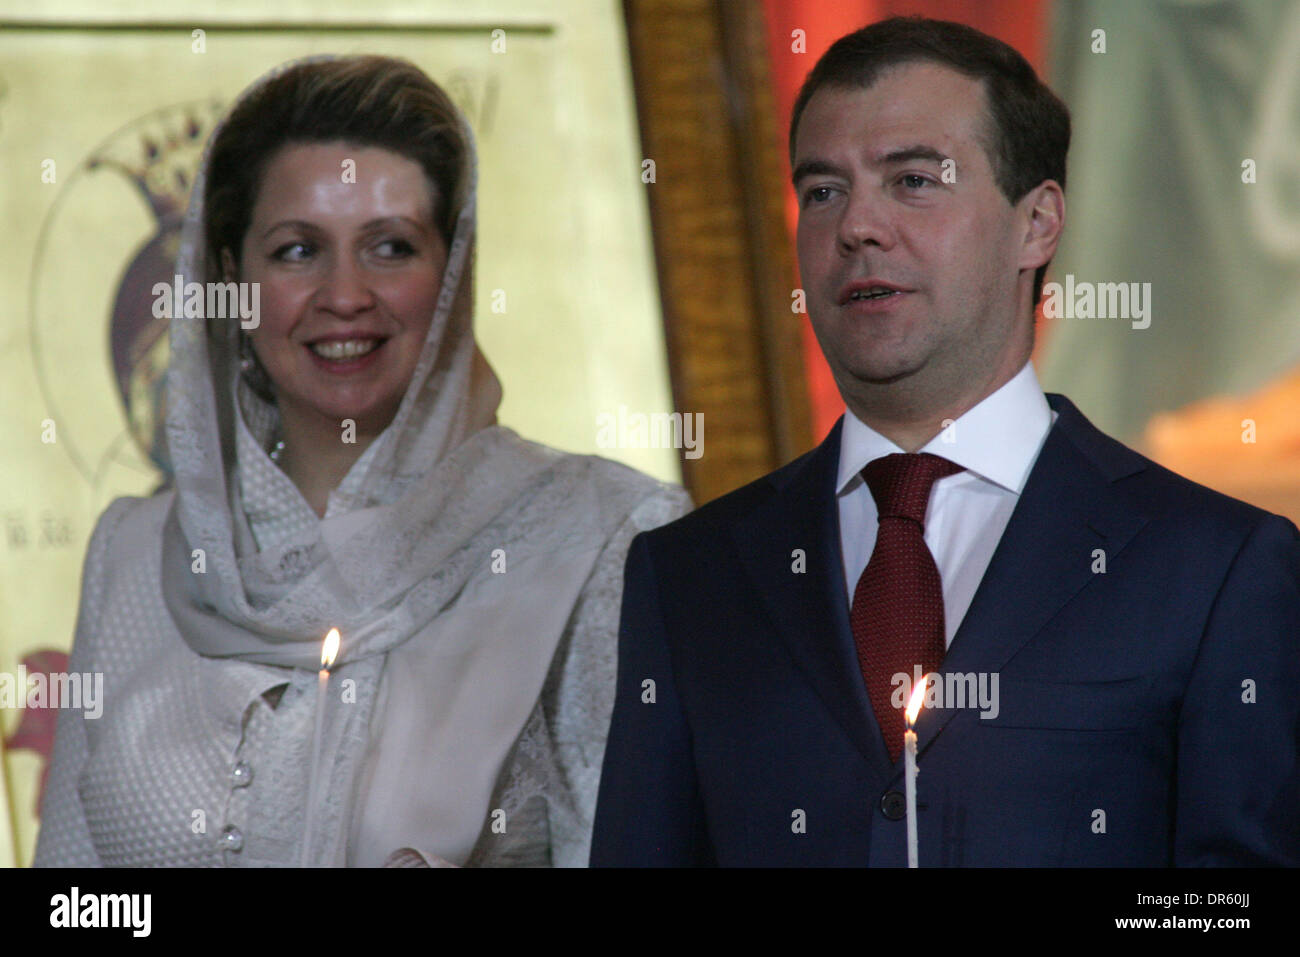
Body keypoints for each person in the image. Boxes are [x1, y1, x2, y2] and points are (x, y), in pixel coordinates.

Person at [590, 17, 1300, 866]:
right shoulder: (690, 576)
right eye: (823, 191)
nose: (857, 226)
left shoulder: (1216, 567)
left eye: (914, 180)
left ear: (1037, 223)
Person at [35, 54, 691, 867]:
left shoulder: (603, 537)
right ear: (232, 278)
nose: (346, 294)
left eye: (390, 246)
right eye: (298, 251)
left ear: (451, 272)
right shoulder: (132, 553)